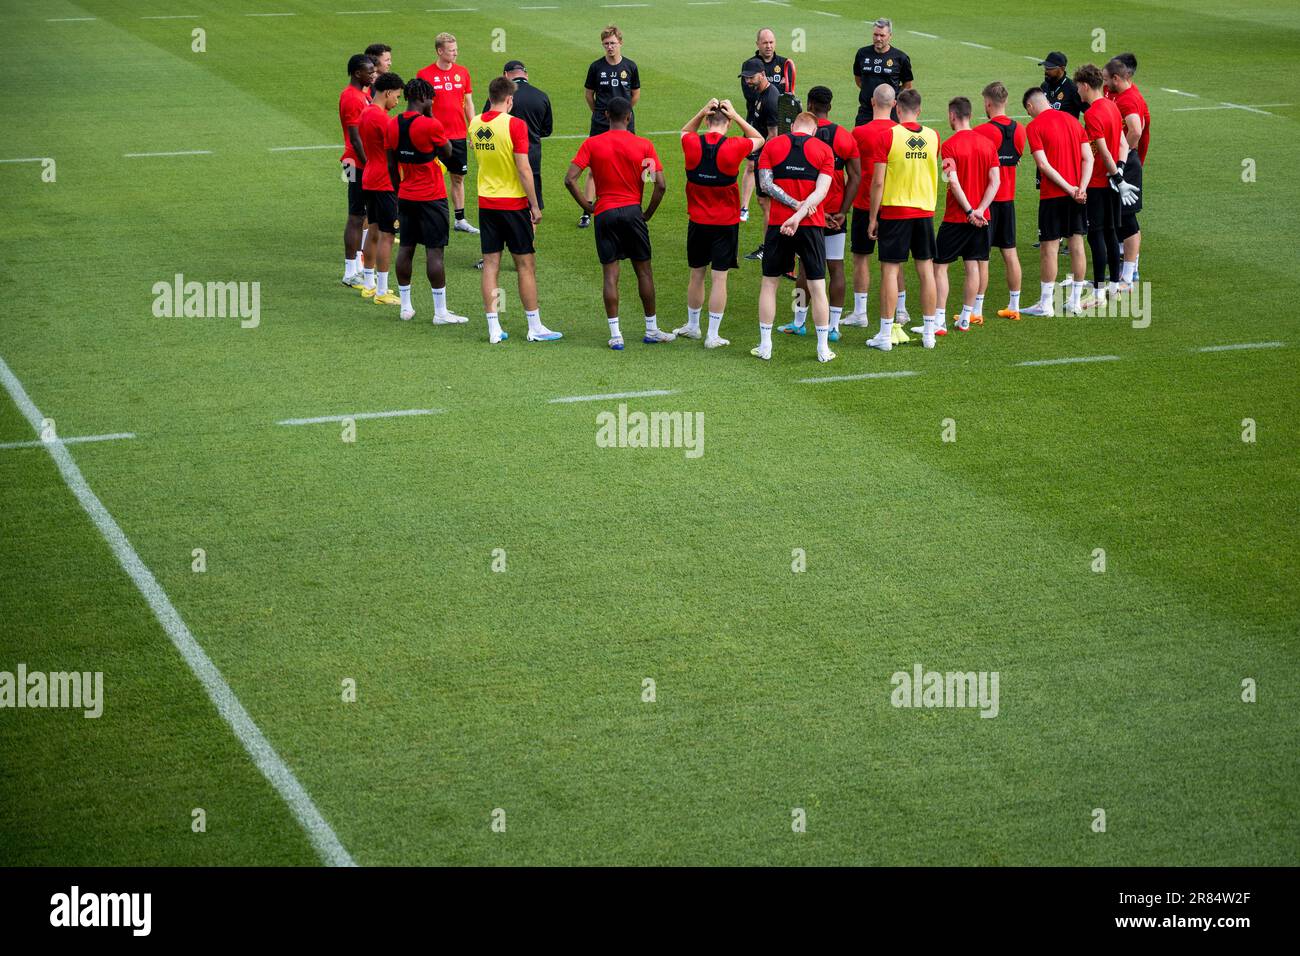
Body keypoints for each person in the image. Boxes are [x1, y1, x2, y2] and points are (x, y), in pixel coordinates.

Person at [564, 97, 668, 350]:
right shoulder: (644, 145)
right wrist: (647, 213)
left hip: (605, 212)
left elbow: (570, 180)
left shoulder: (592, 144)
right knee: (643, 271)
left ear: (606, 116)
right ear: (629, 117)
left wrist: (588, 206)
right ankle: (651, 329)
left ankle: (615, 335)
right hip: (633, 212)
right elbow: (660, 184)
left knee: (611, 275)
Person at [469, 77, 560, 344]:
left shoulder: (474, 123)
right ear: (510, 100)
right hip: (513, 203)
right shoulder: (514, 125)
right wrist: (534, 204)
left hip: (486, 202)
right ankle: (535, 326)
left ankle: (493, 328)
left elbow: (479, 150)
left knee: (490, 265)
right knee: (525, 265)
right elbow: (523, 168)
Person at [676, 98, 764, 348]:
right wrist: (737, 116)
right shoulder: (735, 145)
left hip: (698, 222)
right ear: (728, 124)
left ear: (706, 121)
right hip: (725, 224)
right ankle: (712, 334)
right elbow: (760, 139)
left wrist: (701, 109)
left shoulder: (693, 142)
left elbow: (685, 131)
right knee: (719, 278)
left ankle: (693, 326)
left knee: (696, 275)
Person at [753, 113, 836, 363]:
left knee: (769, 284)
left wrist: (791, 210)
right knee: (817, 286)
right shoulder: (824, 150)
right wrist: (800, 215)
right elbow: (821, 191)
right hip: (811, 225)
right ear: (814, 130)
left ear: (792, 127)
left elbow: (766, 185)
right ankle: (823, 349)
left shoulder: (772, 146)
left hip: (779, 224)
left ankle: (765, 346)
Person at [779, 86, 860, 342]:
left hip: (807, 213)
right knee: (835, 268)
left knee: (804, 267)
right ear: (830, 107)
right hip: (835, 214)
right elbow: (856, 176)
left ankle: (799, 322)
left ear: (810, 106)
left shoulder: (798, 138)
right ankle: (834, 327)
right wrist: (843, 212)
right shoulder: (844, 136)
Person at [389, 78, 469, 324]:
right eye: (431, 99)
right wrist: (432, 116)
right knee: (435, 252)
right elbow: (448, 152)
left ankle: (406, 307)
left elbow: (391, 164)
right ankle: (440, 312)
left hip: (405, 195)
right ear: (424, 98)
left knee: (406, 248)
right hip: (431, 197)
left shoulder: (393, 124)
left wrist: (398, 192)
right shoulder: (430, 125)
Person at [865, 88, 940, 350]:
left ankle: (885, 335)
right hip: (924, 212)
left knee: (889, 271)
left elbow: (877, 182)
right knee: (926, 271)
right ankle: (929, 334)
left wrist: (873, 217)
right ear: (919, 110)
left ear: (897, 109)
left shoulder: (888, 136)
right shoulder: (934, 136)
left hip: (895, 211)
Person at [1020, 88, 1092, 317]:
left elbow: (1043, 165)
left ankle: (1046, 304)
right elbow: (1088, 157)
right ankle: (1075, 302)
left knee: (1049, 248)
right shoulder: (1073, 121)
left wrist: (1069, 188)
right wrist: (1081, 187)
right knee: (1077, 245)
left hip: (1053, 196)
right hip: (1077, 195)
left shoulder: (1034, 126)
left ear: (1030, 107)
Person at [933, 97, 1000, 334]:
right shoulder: (988, 144)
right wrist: (981, 210)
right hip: (982, 219)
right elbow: (996, 181)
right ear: (970, 115)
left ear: (952, 115)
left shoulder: (949, 145)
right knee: (973, 266)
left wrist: (970, 210)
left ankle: (939, 321)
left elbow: (953, 182)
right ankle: (965, 317)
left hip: (956, 217)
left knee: (940, 267)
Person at [1076, 64, 1135, 308]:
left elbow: (1101, 148)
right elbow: (1122, 142)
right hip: (1111, 180)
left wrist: (1116, 176)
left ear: (1086, 86)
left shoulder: (1092, 114)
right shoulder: (1112, 105)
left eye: (1078, 87)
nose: (1077, 92)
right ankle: (1114, 287)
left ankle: (1098, 294)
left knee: (1096, 235)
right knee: (1112, 233)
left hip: (1099, 182)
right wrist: (1120, 170)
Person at [974, 81, 1028, 320]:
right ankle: (1014, 306)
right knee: (1010, 252)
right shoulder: (1021, 130)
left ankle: (976, 310)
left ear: (988, 103)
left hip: (986, 201)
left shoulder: (981, 132)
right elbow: (1015, 159)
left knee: (982, 257)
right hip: (1008, 199)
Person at [844, 85, 897, 329]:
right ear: (894, 104)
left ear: (872, 102)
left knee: (861, 258)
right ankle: (903, 311)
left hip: (865, 203)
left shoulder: (859, 132)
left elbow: (852, 170)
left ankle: (860, 312)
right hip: (895, 205)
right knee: (894, 261)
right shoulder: (901, 132)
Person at [579, 25, 641, 228]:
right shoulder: (596, 67)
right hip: (601, 122)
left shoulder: (630, 66)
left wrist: (623, 114)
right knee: (593, 167)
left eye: (613, 43)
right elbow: (589, 94)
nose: (609, 47)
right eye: (606, 44)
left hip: (624, 123)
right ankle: (587, 211)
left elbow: (635, 93)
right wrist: (598, 112)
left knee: (630, 162)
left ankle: (633, 204)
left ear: (620, 43)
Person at [417, 33, 478, 235]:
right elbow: (419, 105)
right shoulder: (424, 74)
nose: (455, 53)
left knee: (458, 177)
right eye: (451, 50)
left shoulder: (463, 72)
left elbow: (468, 103)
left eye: (456, 49)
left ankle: (459, 219)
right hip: (433, 136)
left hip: (458, 135)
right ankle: (427, 217)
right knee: (429, 177)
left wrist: (474, 129)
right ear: (439, 51)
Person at [357, 71, 405, 306]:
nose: (397, 101)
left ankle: (368, 285)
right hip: (385, 181)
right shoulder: (383, 119)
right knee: (387, 235)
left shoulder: (366, 112)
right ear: (387, 93)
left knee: (373, 231)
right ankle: (383, 291)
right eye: (396, 96)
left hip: (369, 178)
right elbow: (396, 149)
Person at [738, 29, 796, 223]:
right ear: (758, 44)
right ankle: (744, 206)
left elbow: (787, 97)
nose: (768, 46)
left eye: (771, 42)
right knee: (751, 164)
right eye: (765, 43)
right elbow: (751, 96)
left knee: (763, 168)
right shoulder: (749, 67)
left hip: (773, 123)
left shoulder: (783, 63)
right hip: (756, 120)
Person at [1106, 57, 1148, 288]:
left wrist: (1122, 155)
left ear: (1117, 78)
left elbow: (1136, 131)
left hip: (1126, 163)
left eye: (1106, 79)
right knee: (1118, 217)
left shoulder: (1129, 100)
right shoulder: (1116, 93)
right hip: (1118, 161)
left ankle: (1130, 274)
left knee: (1127, 217)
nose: (1104, 84)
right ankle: (1126, 268)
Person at [339, 54, 376, 289]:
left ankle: (359, 266)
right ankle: (350, 271)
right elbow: (355, 137)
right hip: (355, 163)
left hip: (357, 162)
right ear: (356, 73)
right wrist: (370, 164)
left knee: (362, 216)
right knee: (355, 216)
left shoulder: (362, 95)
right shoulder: (352, 98)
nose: (373, 74)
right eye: (369, 71)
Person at [739, 59, 782, 261]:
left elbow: (774, 136)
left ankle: (770, 248)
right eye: (746, 77)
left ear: (762, 74)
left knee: (767, 204)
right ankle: (771, 246)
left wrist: (764, 162)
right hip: (761, 157)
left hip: (766, 159)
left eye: (751, 77)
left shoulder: (771, 99)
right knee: (764, 202)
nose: (748, 81)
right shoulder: (760, 93)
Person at [504, 60, 553, 209]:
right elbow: (546, 130)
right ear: (526, 75)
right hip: (532, 153)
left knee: (508, 196)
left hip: (506, 153)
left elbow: (489, 121)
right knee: (533, 203)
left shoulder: (502, 96)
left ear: (506, 75)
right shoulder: (541, 96)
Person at [853, 18, 913, 126]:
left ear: (890, 36)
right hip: (866, 111)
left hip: (890, 112)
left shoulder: (900, 57)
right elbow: (858, 80)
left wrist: (891, 96)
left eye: (882, 35)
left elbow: (907, 85)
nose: (878, 38)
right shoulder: (862, 53)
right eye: (875, 35)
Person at [1039, 51, 1083, 118]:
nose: (1046, 71)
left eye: (1050, 68)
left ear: (1062, 68)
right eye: (1045, 68)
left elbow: (1089, 112)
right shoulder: (1044, 86)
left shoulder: (1073, 88)